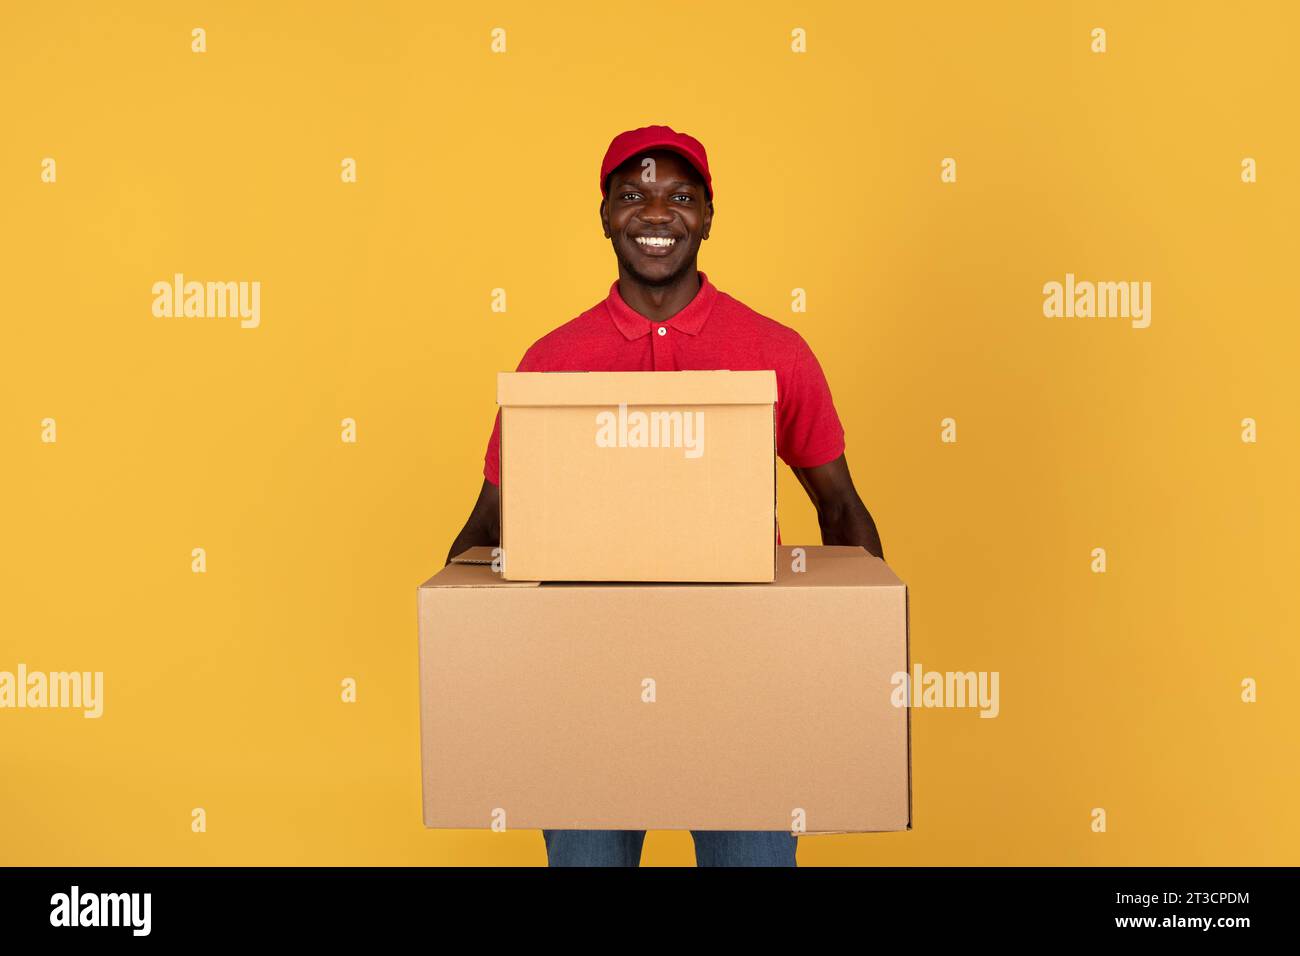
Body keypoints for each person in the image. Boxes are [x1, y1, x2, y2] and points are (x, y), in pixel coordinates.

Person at [448, 125, 884, 867]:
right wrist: (488, 662)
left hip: (743, 684)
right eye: (634, 196)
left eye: (680, 196)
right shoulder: (553, 363)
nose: (657, 214)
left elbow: (839, 507)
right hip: (587, 689)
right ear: (606, 215)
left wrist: (855, 660)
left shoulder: (775, 352)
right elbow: (484, 531)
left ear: (709, 216)